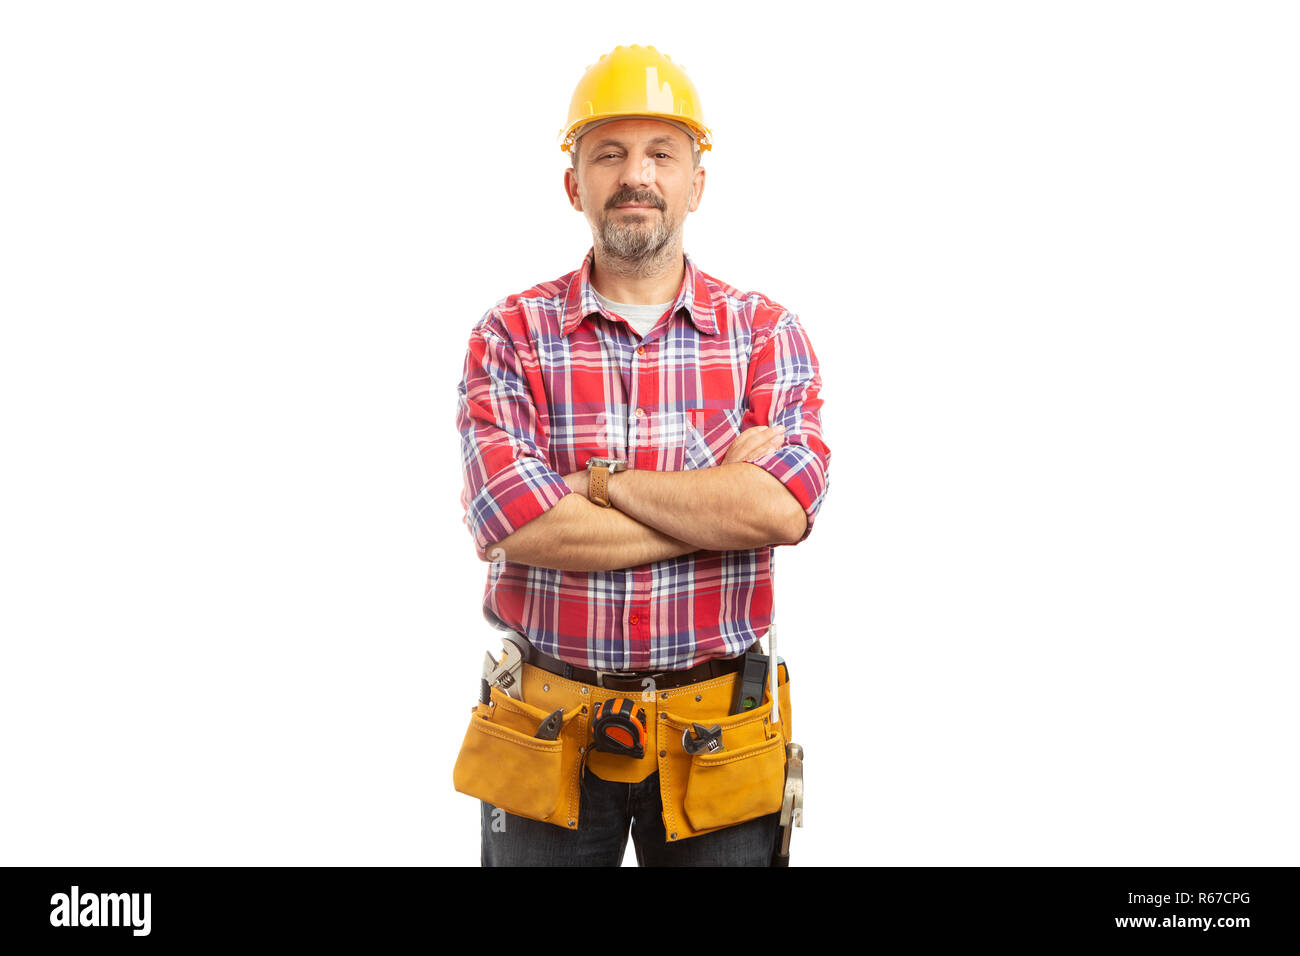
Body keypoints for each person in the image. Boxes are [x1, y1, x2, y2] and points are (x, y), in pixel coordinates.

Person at [454, 44, 830, 866]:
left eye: (662, 153)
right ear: (573, 183)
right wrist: (714, 503)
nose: (637, 175)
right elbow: (515, 522)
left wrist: (598, 487)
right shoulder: (508, 336)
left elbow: (782, 509)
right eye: (609, 154)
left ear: (697, 181)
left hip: (717, 735)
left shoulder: (767, 334)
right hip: (541, 729)